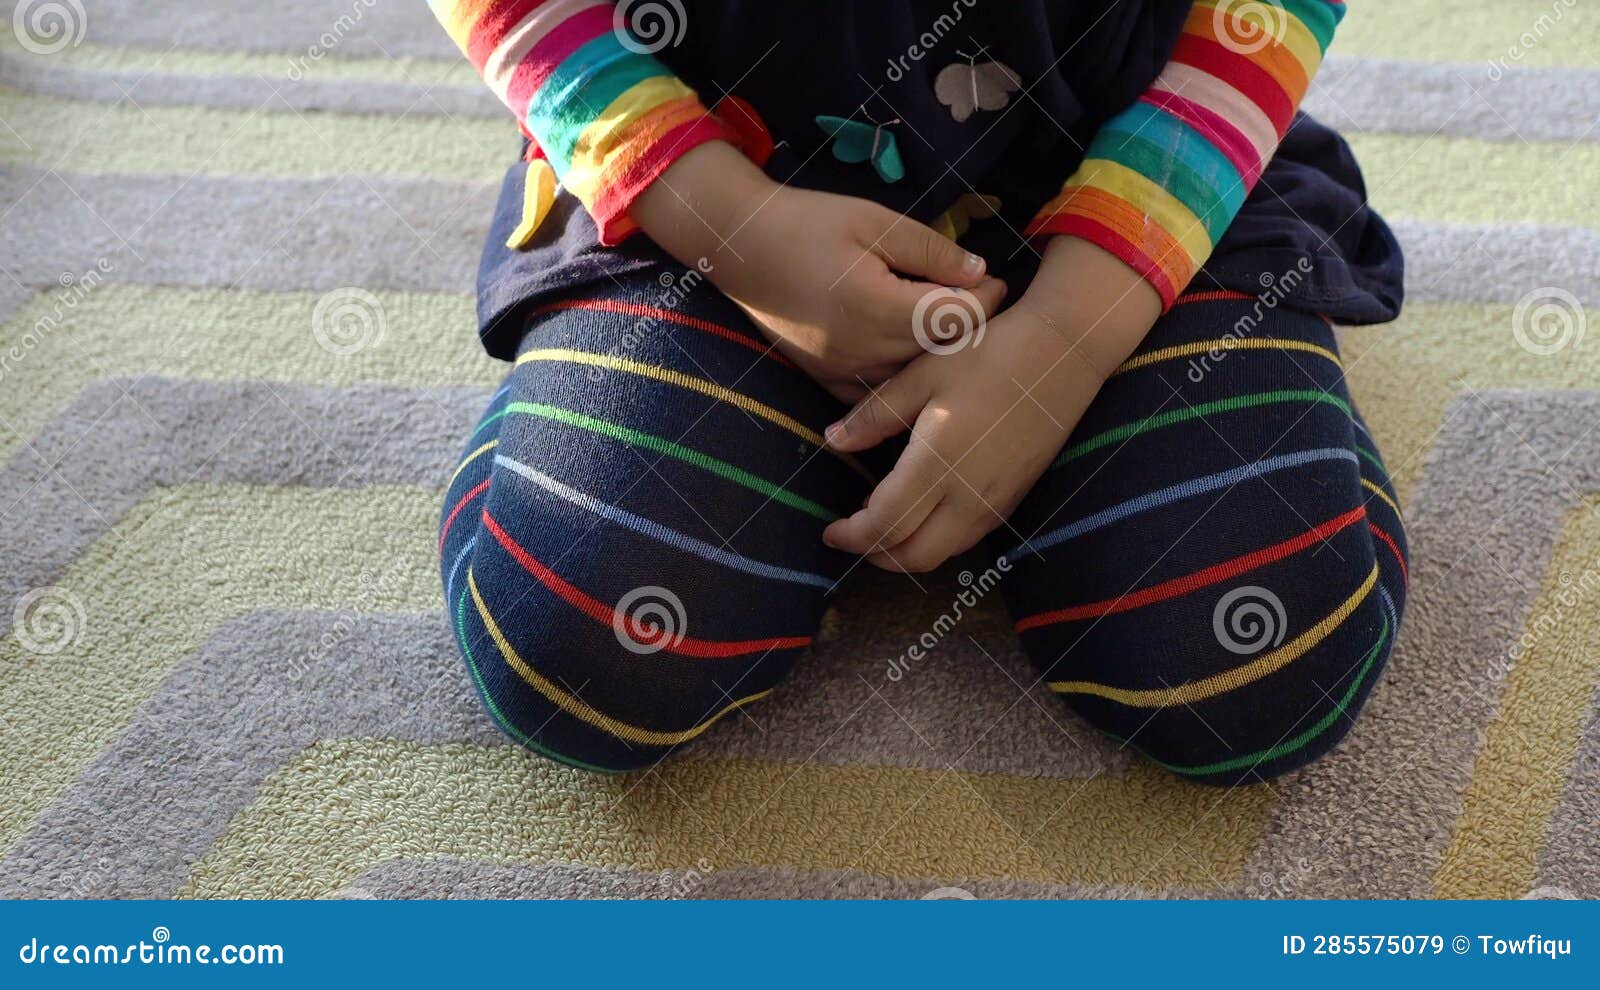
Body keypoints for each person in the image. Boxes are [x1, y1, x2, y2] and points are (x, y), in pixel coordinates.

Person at [429, 0, 1408, 784]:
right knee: (583, 648)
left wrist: (1070, 335)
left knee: (1256, 666)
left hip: (1151, 168)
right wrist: (730, 225)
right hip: (710, 184)